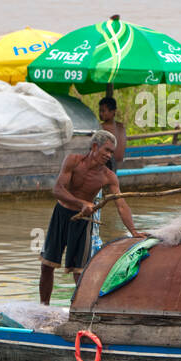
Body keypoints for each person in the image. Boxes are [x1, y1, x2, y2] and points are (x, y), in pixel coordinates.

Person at [39, 129, 143, 304]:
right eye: (107, 150)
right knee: (47, 265)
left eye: (111, 152)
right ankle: (43, 307)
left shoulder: (108, 176)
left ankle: (81, 309)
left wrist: (133, 231)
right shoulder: (73, 161)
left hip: (83, 222)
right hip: (61, 215)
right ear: (95, 147)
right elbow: (58, 189)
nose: (109, 155)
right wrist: (82, 203)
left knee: (80, 271)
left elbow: (121, 204)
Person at [97, 96, 126, 168]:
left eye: (103, 111)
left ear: (113, 111)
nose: (100, 114)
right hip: (120, 164)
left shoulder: (102, 127)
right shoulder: (121, 126)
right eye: (100, 111)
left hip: (108, 166)